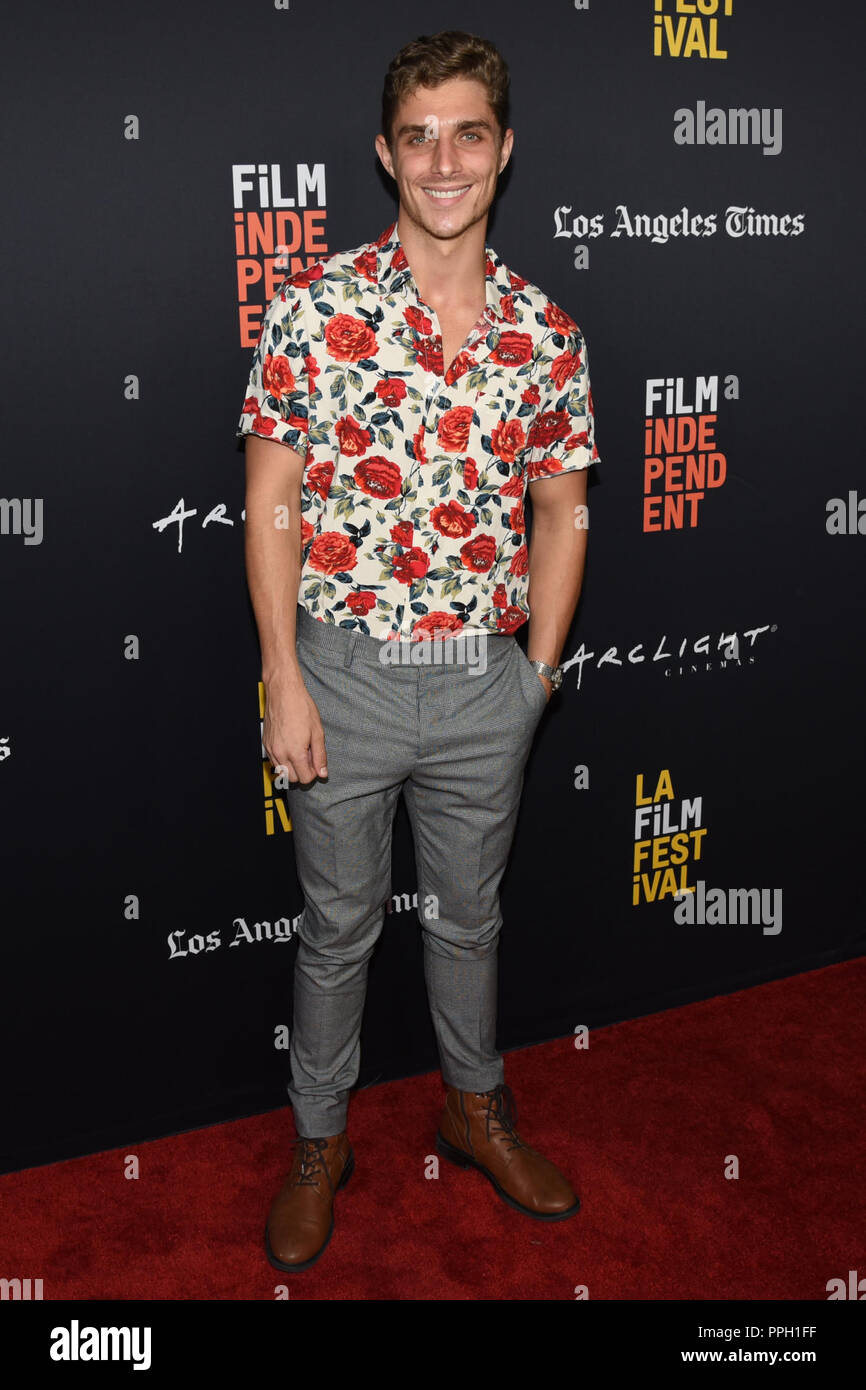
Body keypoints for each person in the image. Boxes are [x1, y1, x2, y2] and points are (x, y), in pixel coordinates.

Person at [237, 29, 601, 1273]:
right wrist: (284, 674)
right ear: (385, 153)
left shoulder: (545, 332)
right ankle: (318, 1140)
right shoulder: (316, 312)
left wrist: (536, 674)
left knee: (467, 920)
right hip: (340, 674)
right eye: (418, 135)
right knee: (336, 928)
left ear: (503, 151)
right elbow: (271, 502)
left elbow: (561, 509)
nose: (443, 158)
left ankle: (472, 1108)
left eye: (468, 133)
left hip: (481, 684)